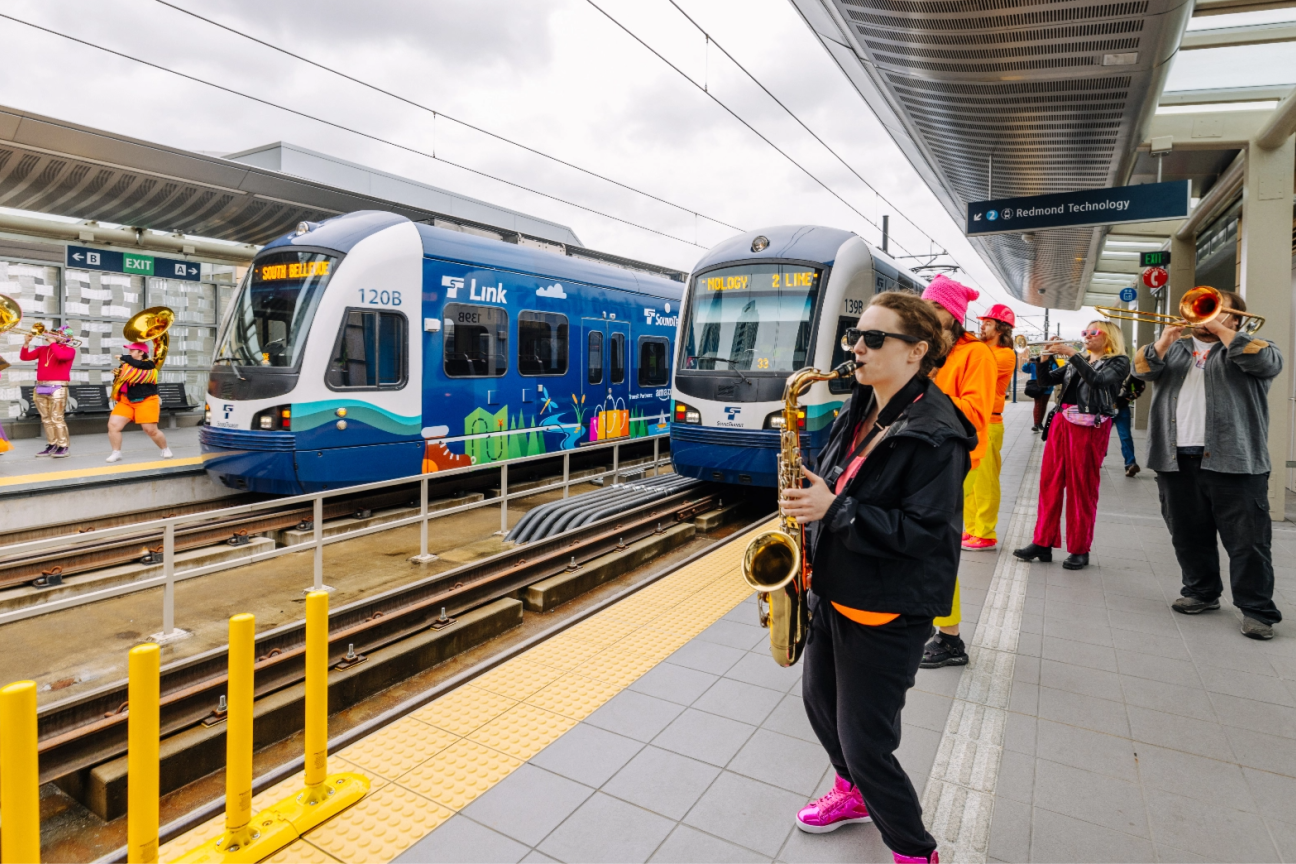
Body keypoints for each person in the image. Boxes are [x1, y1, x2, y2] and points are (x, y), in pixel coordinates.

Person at [782, 290, 972, 864]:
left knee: (867, 742)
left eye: (873, 338)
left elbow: (926, 534)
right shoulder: (865, 405)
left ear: (916, 352)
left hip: (888, 604)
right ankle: (851, 794)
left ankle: (916, 852)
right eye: (855, 336)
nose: (856, 348)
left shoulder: (939, 434)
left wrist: (834, 509)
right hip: (837, 588)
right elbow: (844, 477)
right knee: (820, 706)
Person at [1132, 291, 1283, 640]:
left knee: (1248, 541)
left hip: (1236, 460)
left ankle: (1257, 610)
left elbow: (1267, 364)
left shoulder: (1254, 346)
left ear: (1236, 318)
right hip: (1175, 457)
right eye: (1202, 309)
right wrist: (1165, 340)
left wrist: (1221, 329)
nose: (1204, 318)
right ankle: (1201, 592)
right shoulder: (1177, 349)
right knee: (1187, 533)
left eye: (1216, 310)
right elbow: (1141, 372)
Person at [919, 275, 995, 668]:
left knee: (939, 546)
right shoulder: (931, 350)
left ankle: (950, 639)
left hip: (955, 458)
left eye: (934, 308)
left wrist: (927, 393)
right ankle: (930, 624)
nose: (926, 313)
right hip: (926, 456)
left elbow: (975, 413)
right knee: (924, 542)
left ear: (952, 314)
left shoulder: (976, 354)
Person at [1014, 321, 1129, 570]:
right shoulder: (1079, 360)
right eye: (1084, 332)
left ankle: (1079, 549)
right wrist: (1044, 356)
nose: (1086, 336)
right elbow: (1045, 381)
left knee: (1082, 487)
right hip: (1061, 423)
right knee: (1050, 483)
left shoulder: (1118, 362)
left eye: (1093, 332)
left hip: (1089, 426)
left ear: (1109, 337)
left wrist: (1072, 354)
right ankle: (1042, 542)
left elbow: (1098, 380)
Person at [962, 304, 1018, 551]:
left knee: (986, 481)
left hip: (990, 422)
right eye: (982, 322)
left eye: (987, 322)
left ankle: (986, 533)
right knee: (970, 480)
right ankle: (972, 528)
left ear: (1001, 327)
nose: (981, 325)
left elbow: (974, 373)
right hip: (972, 421)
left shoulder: (1005, 354)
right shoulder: (981, 349)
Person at [107, 341, 171, 462]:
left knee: (150, 430)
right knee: (113, 425)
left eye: (132, 351)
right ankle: (116, 452)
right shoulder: (126, 365)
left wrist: (123, 357)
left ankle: (165, 449)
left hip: (147, 400)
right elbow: (121, 381)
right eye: (128, 351)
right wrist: (117, 375)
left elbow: (141, 365)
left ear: (141, 352)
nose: (129, 353)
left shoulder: (150, 364)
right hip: (127, 400)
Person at [19, 326, 76, 458]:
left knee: (57, 418)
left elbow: (61, 357)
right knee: (45, 419)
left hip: (58, 386)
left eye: (56, 334)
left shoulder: (70, 350)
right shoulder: (43, 349)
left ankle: (63, 446)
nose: (52, 335)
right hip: (41, 386)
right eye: (53, 333)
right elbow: (25, 357)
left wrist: (52, 343)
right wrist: (26, 343)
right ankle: (52, 444)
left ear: (65, 337)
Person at [1112, 373, 1145, 477]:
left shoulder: (1130, 372)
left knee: (1125, 436)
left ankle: (1130, 464)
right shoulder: (1103, 367)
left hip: (1122, 407)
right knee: (1100, 438)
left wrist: (1133, 395)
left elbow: (1141, 385)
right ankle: (1097, 459)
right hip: (1105, 408)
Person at [1021, 352, 1055, 432]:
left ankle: (1039, 423)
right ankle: (1036, 424)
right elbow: (1025, 369)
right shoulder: (1035, 362)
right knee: (1038, 404)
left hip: (1047, 388)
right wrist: (1028, 363)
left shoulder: (1051, 363)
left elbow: (1056, 374)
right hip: (1038, 387)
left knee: (1042, 405)